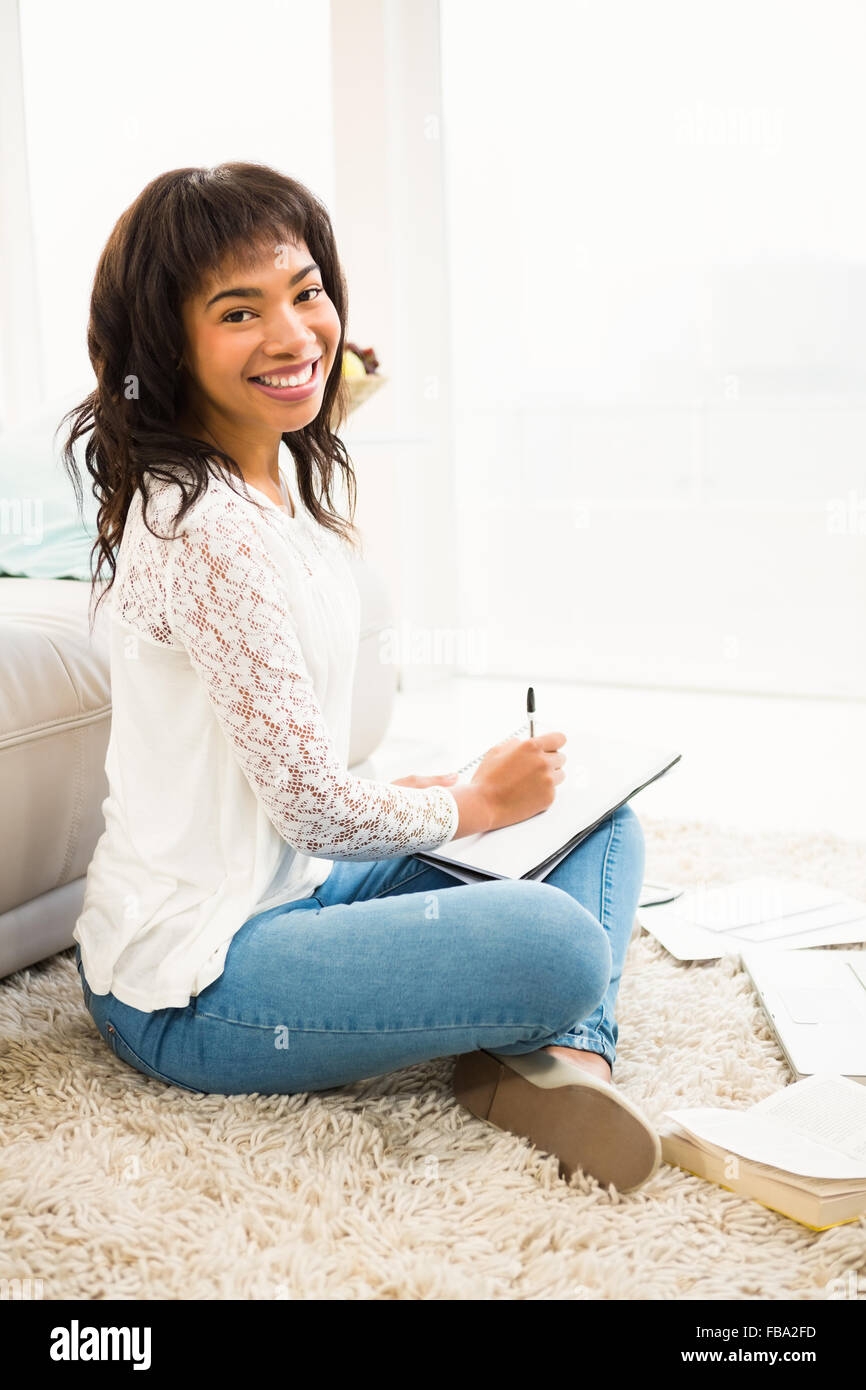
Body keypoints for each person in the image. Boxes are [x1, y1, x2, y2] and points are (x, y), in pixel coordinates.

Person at [63, 162, 659, 1194]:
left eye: (305, 291)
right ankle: (558, 1030)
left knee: (599, 820)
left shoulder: (274, 478)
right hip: (196, 978)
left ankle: (565, 1061)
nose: (294, 333)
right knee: (558, 943)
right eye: (238, 310)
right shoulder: (200, 524)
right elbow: (308, 804)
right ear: (168, 342)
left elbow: (300, 790)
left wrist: (460, 796)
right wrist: (468, 804)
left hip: (298, 890)